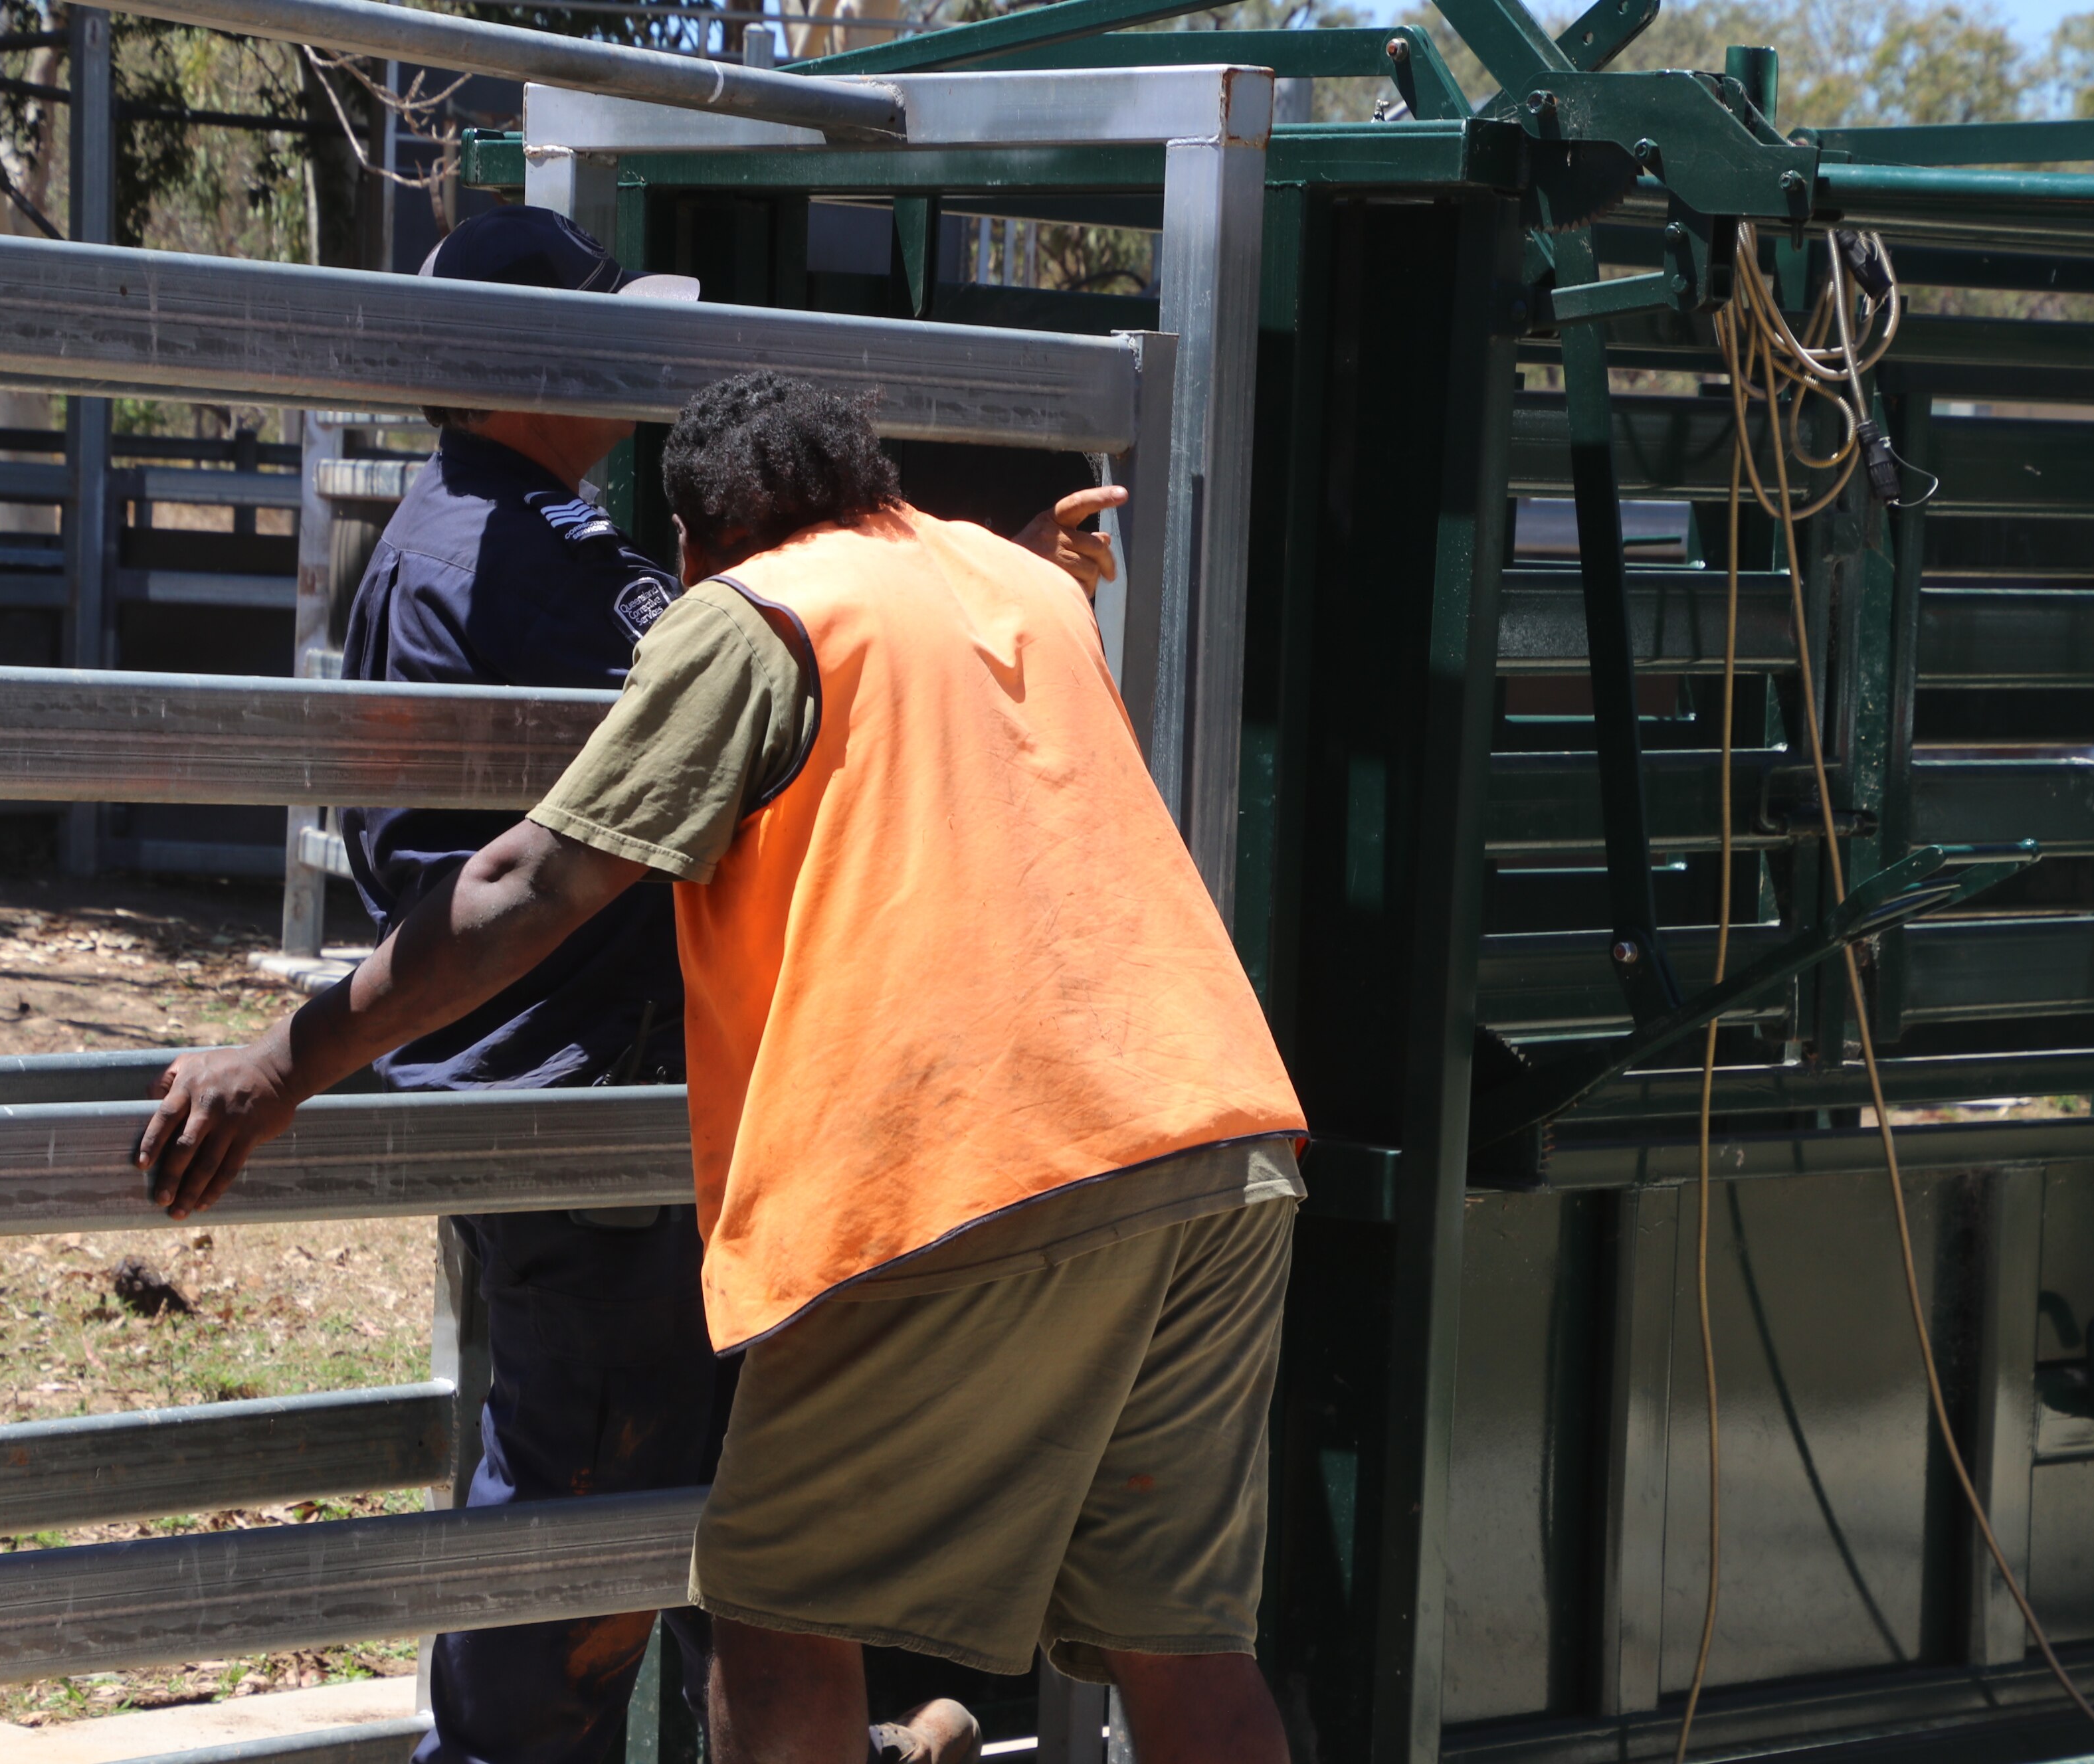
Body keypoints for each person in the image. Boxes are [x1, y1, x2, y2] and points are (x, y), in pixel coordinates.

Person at [144, 368, 1307, 1764]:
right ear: (865, 486)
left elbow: (525, 883)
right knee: (1182, 1643)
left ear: (693, 547)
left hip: (975, 1161)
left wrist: (283, 1058)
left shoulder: (751, 616)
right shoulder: (1027, 582)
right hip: (1215, 1140)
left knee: (774, 1611)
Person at [332, 207, 1125, 1764]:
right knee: (596, 1499)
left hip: (526, 1080)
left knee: (662, 1486)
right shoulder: (550, 559)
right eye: (611, 334)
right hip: (596, 1095)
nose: (639, 365)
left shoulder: (433, 537)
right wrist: (994, 604)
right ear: (538, 361)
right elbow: (781, 701)